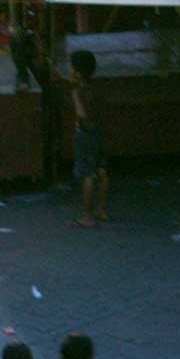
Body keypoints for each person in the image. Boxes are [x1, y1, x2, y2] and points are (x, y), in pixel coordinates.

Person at [69, 50, 108, 227]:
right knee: (101, 171)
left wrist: (74, 96)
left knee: (87, 174)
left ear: (77, 72)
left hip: (85, 135)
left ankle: (87, 216)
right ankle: (101, 210)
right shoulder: (97, 87)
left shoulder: (78, 91)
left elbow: (81, 114)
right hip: (100, 132)